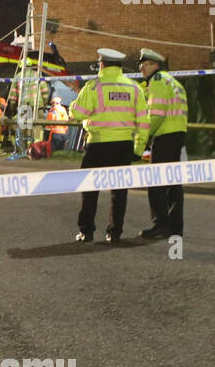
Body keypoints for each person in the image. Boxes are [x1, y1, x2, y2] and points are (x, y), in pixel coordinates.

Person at [68, 48, 147, 245]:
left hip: (98, 145)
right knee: (119, 192)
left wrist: (73, 105)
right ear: (120, 66)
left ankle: (86, 232)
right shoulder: (134, 88)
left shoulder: (94, 86)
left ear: (102, 64)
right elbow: (144, 123)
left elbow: (77, 113)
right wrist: (138, 149)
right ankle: (115, 233)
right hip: (124, 145)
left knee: (89, 190)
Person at [135, 48, 188, 239]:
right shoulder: (172, 81)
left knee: (156, 181)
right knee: (173, 184)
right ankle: (175, 227)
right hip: (178, 135)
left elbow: (156, 115)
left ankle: (160, 225)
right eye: (141, 65)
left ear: (155, 65)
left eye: (145, 65)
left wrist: (142, 140)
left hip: (164, 136)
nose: (142, 68)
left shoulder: (157, 81)